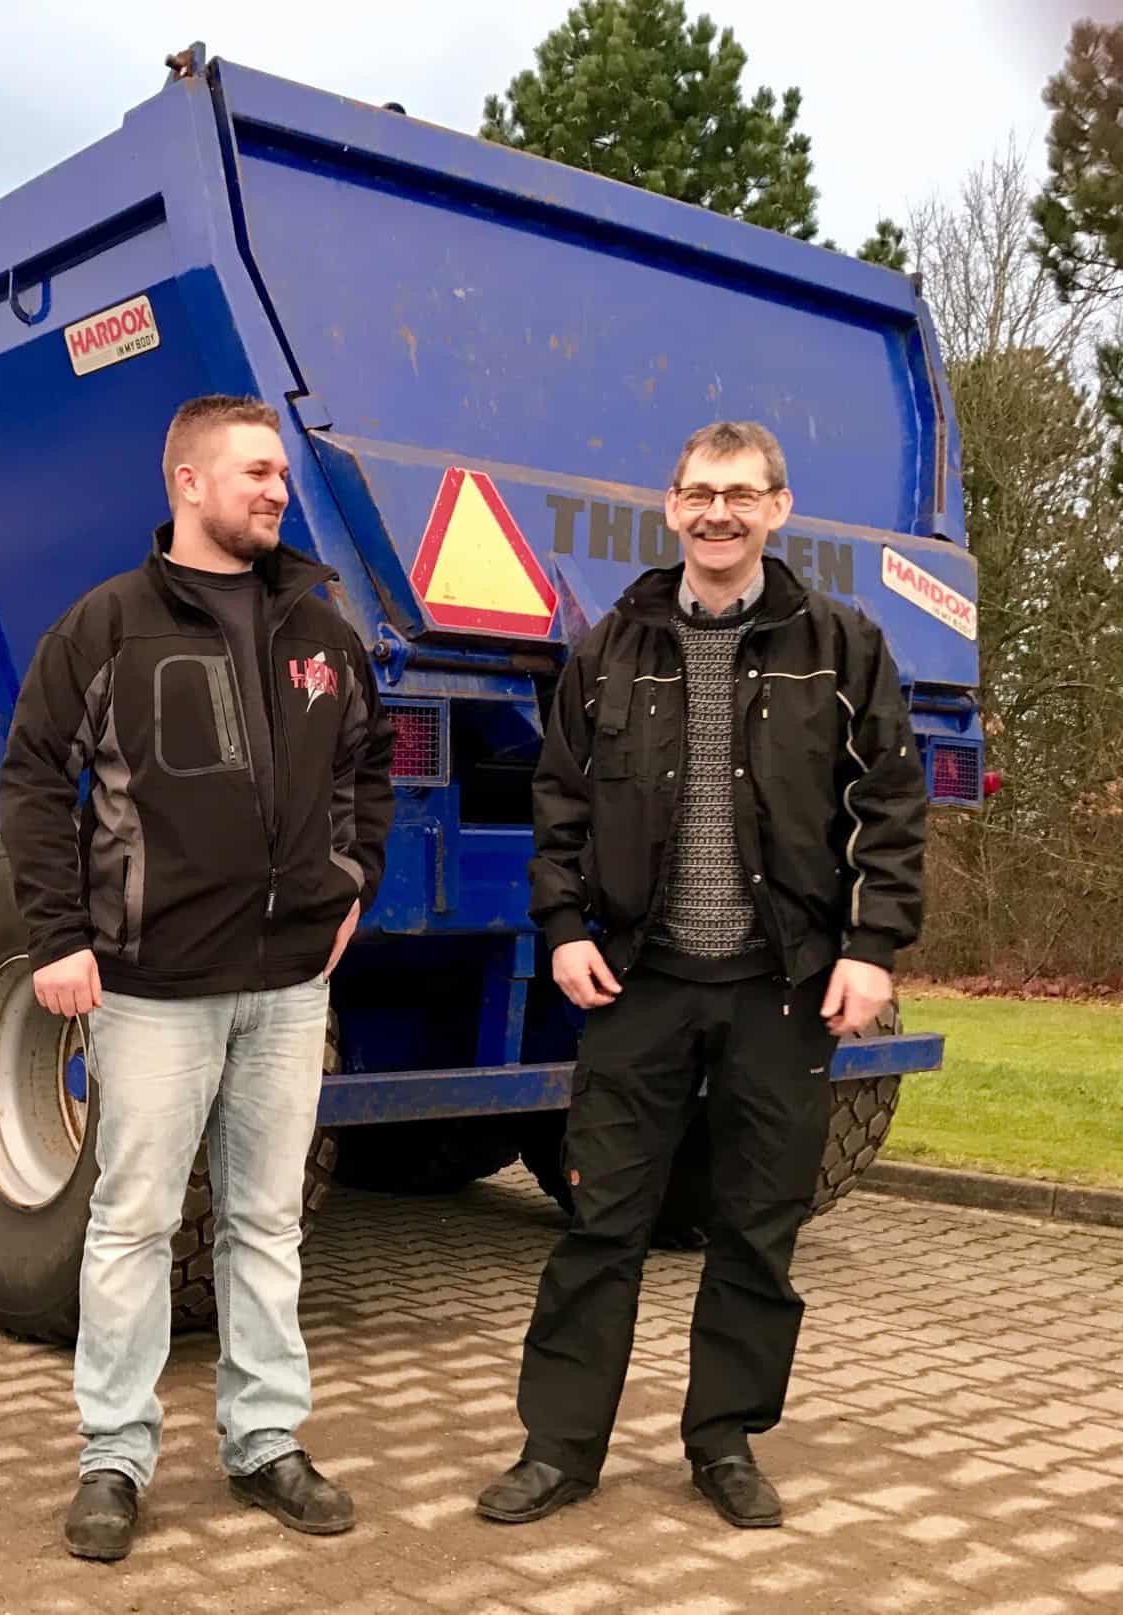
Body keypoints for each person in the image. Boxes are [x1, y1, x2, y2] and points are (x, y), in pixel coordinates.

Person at [476, 421, 927, 1531]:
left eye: (741, 493)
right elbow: (561, 805)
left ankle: (724, 1441)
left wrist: (872, 949)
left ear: (780, 508)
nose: (717, 512)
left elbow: (893, 810)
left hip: (784, 988)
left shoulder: (843, 644)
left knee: (756, 1229)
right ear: (670, 507)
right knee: (601, 1225)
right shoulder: (611, 645)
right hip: (639, 984)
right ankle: (560, 1447)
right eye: (698, 494)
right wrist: (566, 928)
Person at [0, 394, 395, 1562]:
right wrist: (59, 935)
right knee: (134, 1222)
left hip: (286, 990)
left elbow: (368, 765)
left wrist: (352, 879)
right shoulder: (108, 627)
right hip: (152, 987)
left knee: (266, 1223)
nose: (278, 490)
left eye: (281, 476)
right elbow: (32, 779)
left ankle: (266, 1439)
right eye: (256, 472)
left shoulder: (323, 631)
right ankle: (113, 1458)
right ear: (186, 481)